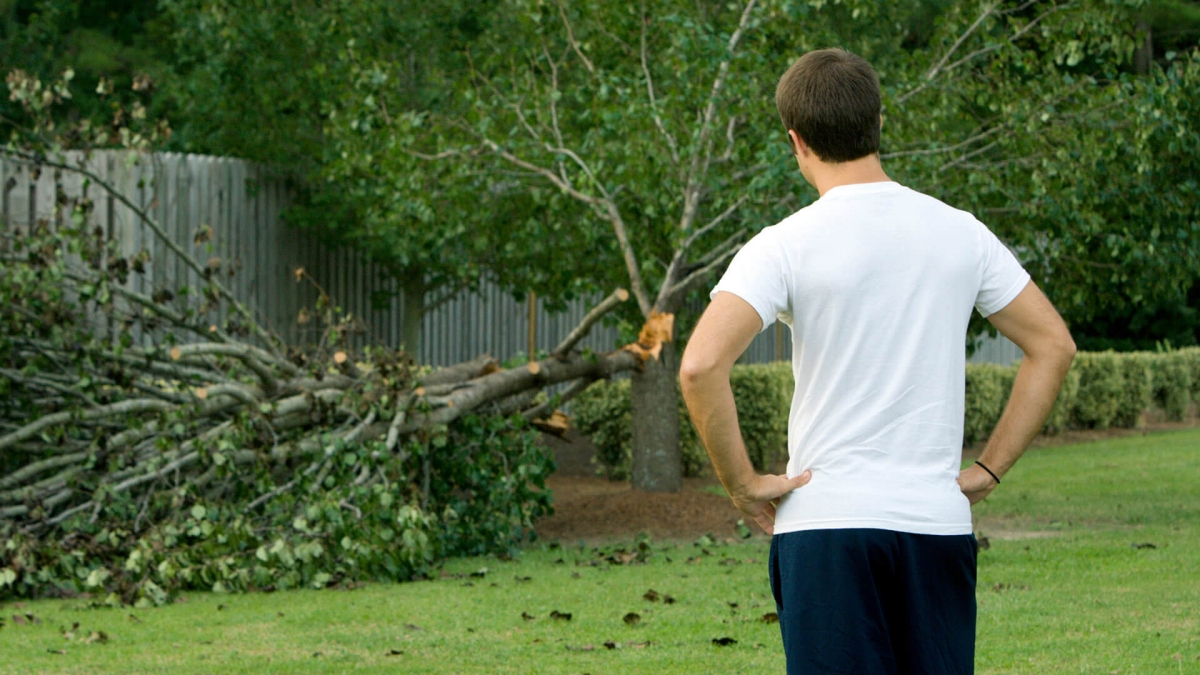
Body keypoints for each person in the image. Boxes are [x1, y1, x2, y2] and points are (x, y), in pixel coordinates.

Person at [679, 48, 1077, 674]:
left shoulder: (782, 244)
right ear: (879, 122)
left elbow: (700, 367)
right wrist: (989, 470)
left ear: (796, 140)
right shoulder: (962, 233)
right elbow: (1053, 346)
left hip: (824, 528)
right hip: (935, 524)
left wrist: (743, 485)